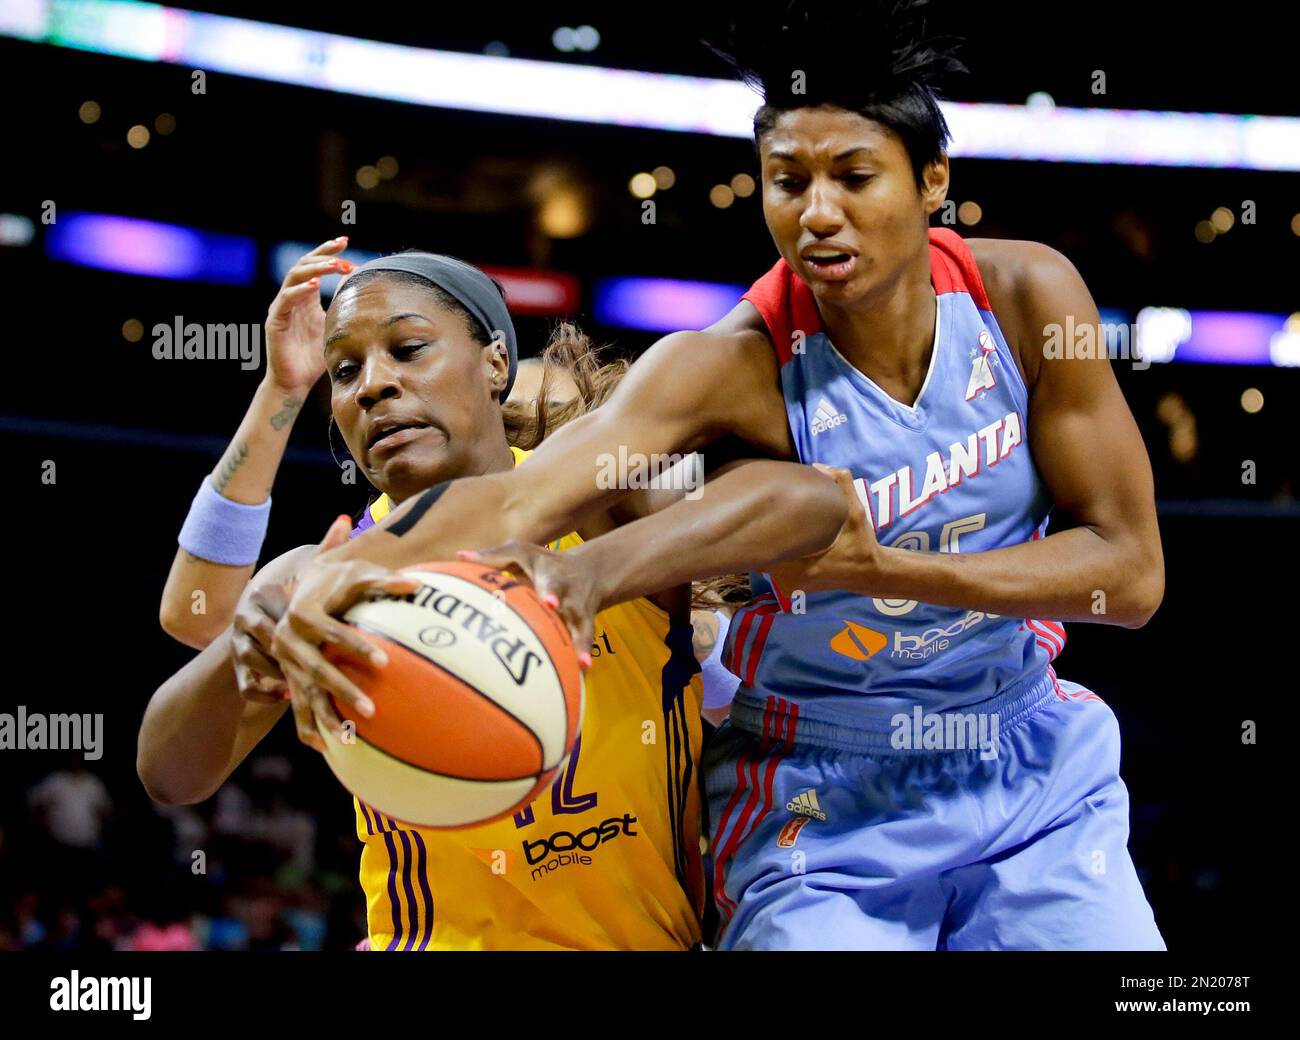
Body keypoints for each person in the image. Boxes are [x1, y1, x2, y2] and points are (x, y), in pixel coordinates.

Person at [272, 0, 1167, 950]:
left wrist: (885, 571)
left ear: (932, 180)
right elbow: (519, 497)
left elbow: (1131, 575)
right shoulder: (725, 364)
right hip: (818, 784)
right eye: (788, 182)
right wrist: (319, 579)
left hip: (1022, 750)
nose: (817, 212)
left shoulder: (1026, 298)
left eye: (854, 177)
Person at [139, 247, 843, 950]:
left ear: (496, 364)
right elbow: (169, 772)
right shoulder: (329, 574)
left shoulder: (601, 501)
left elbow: (807, 502)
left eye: (409, 349)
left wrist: (593, 573)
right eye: (346, 371)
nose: (373, 386)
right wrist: (247, 647)